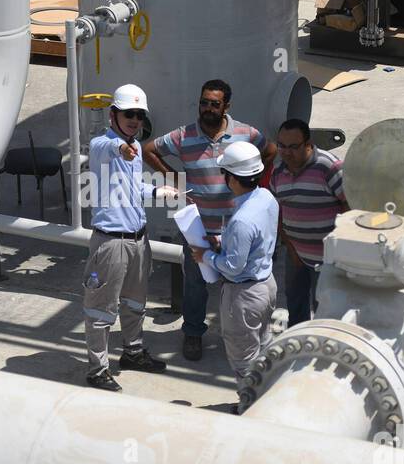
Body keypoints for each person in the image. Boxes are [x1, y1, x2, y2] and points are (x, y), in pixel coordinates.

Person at [143, 79, 276, 361]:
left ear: (226, 106)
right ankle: (193, 333)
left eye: (214, 104)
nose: (207, 108)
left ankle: (239, 336)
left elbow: (271, 150)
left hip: (236, 229)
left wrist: (256, 181)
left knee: (236, 283)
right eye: (204, 102)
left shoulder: (245, 133)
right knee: (195, 285)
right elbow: (149, 149)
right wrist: (176, 181)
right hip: (199, 229)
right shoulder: (184, 135)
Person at [83, 84, 179, 391]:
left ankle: (133, 352)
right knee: (100, 309)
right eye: (129, 114)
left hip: (138, 239)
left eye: (139, 115)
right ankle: (98, 370)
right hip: (111, 243)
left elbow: (133, 187)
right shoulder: (102, 145)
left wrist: (159, 191)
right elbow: (106, 148)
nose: (135, 120)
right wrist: (120, 149)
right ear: (113, 115)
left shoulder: (135, 147)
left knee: (136, 303)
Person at [189, 142, 278, 392]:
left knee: (244, 359)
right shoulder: (267, 198)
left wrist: (206, 256)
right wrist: (222, 241)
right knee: (263, 346)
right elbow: (257, 239)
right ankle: (265, 396)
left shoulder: (241, 220)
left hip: (244, 296)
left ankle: (249, 404)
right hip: (266, 286)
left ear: (231, 178)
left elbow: (232, 267)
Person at [268, 119, 349, 327]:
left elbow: (350, 208)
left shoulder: (330, 167)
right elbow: (278, 213)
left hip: (329, 259)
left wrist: (338, 252)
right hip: (296, 256)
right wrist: (291, 249)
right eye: (282, 146)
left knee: (325, 308)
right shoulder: (278, 173)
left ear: (308, 144)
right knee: (295, 303)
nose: (286, 153)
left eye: (293, 147)